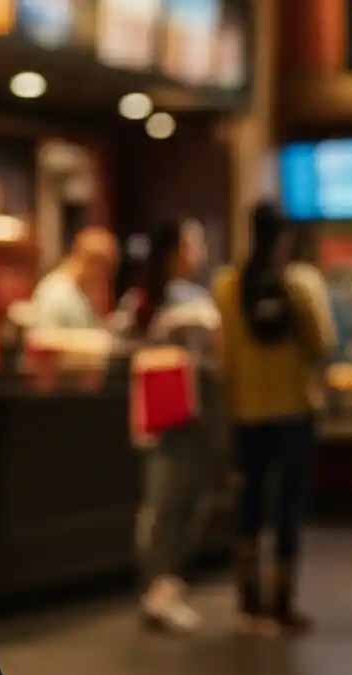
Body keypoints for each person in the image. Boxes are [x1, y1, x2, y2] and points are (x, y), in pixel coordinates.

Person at [214, 203, 336, 634]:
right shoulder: (297, 285)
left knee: (248, 507)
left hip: (246, 411)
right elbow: (323, 341)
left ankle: (248, 603)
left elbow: (224, 355)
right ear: (284, 238)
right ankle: (282, 604)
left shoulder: (227, 286)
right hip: (293, 411)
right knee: (287, 508)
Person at [131, 222, 223, 633]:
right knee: (171, 501)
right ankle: (160, 587)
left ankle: (163, 585)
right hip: (183, 414)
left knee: (168, 501)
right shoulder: (187, 301)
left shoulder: (145, 300)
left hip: (163, 413)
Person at [30, 226, 118, 329]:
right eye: (104, 266)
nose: (106, 275)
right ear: (90, 262)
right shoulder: (58, 292)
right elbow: (45, 338)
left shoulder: (80, 290)